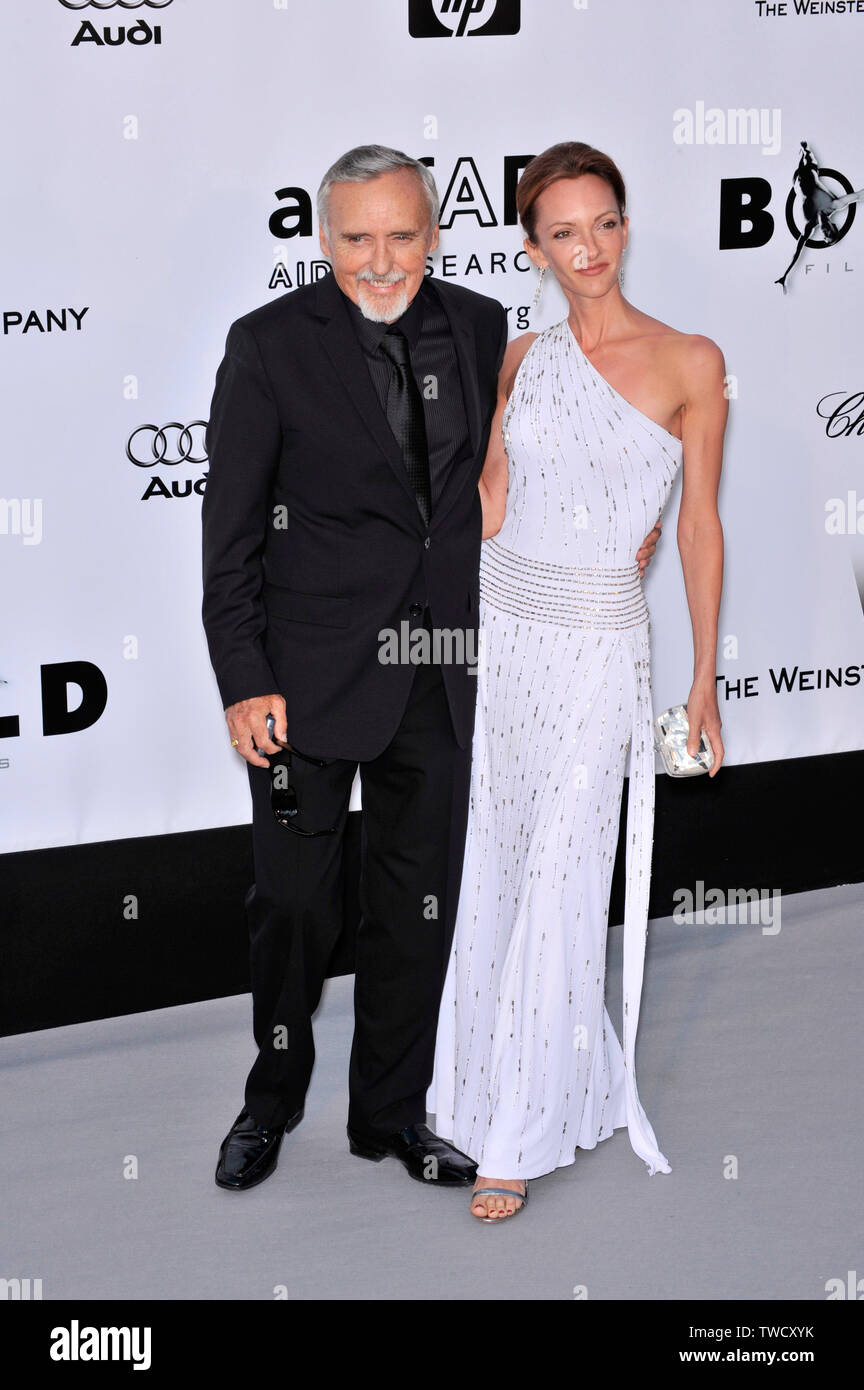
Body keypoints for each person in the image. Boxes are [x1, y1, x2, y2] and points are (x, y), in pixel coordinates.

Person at [201, 143, 662, 1194]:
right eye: (357, 237)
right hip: (305, 682)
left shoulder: (478, 324)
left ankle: (393, 1115)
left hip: (447, 671)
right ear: (323, 241)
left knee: (418, 906)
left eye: (402, 234)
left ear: (434, 232)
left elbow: (505, 485)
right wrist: (243, 678)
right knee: (296, 908)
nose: (380, 259)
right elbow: (228, 538)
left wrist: (612, 535)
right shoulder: (267, 347)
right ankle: (269, 1100)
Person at [429, 141, 727, 1221]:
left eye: (605, 223)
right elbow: (491, 505)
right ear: (534, 247)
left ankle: (516, 1134)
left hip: (602, 640)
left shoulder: (691, 359)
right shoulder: (521, 358)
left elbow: (696, 524)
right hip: (508, 628)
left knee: (563, 869)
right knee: (505, 866)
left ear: (626, 225)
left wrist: (702, 678)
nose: (590, 247)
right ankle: (519, 1082)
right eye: (565, 231)